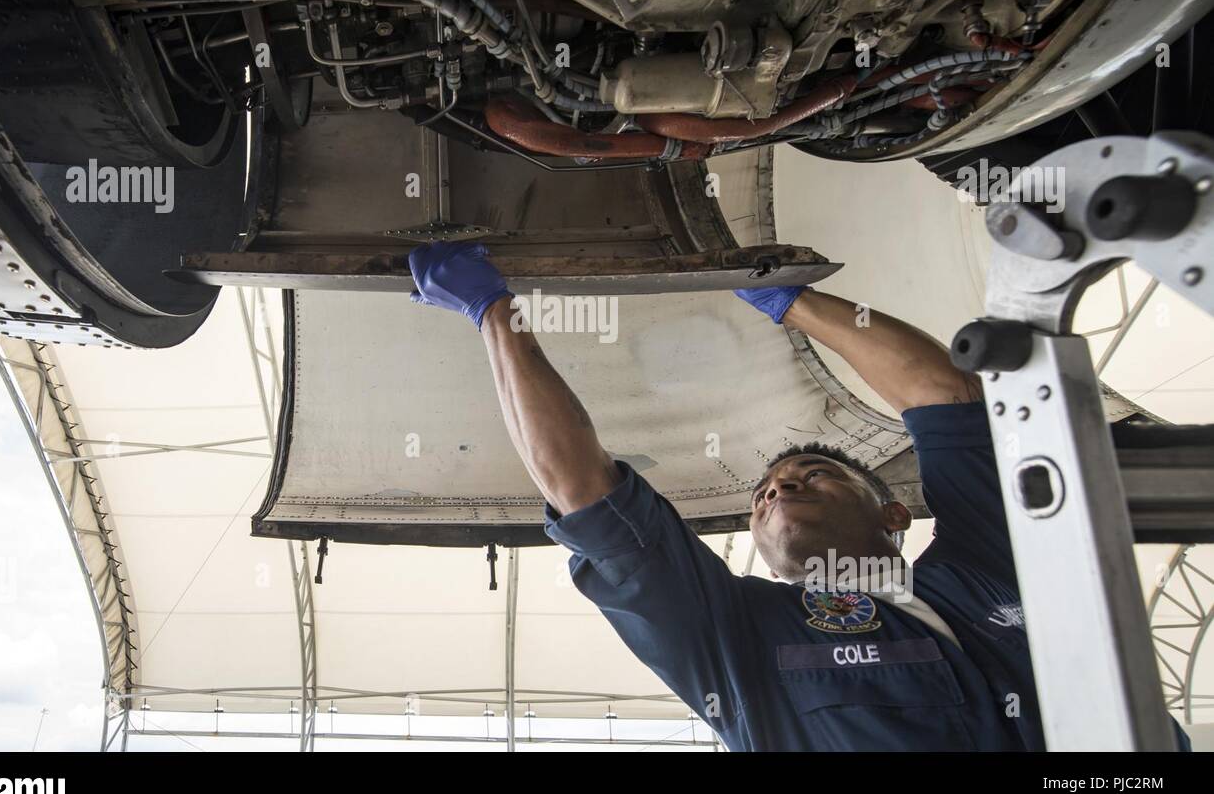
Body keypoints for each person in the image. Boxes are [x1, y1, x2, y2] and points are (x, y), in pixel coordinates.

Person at [408, 240, 1191, 751]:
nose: (779, 488)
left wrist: (798, 301)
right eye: (766, 493)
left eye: (813, 477)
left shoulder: (982, 563)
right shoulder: (738, 634)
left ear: (893, 514)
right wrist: (495, 317)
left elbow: (945, 397)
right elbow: (584, 492)